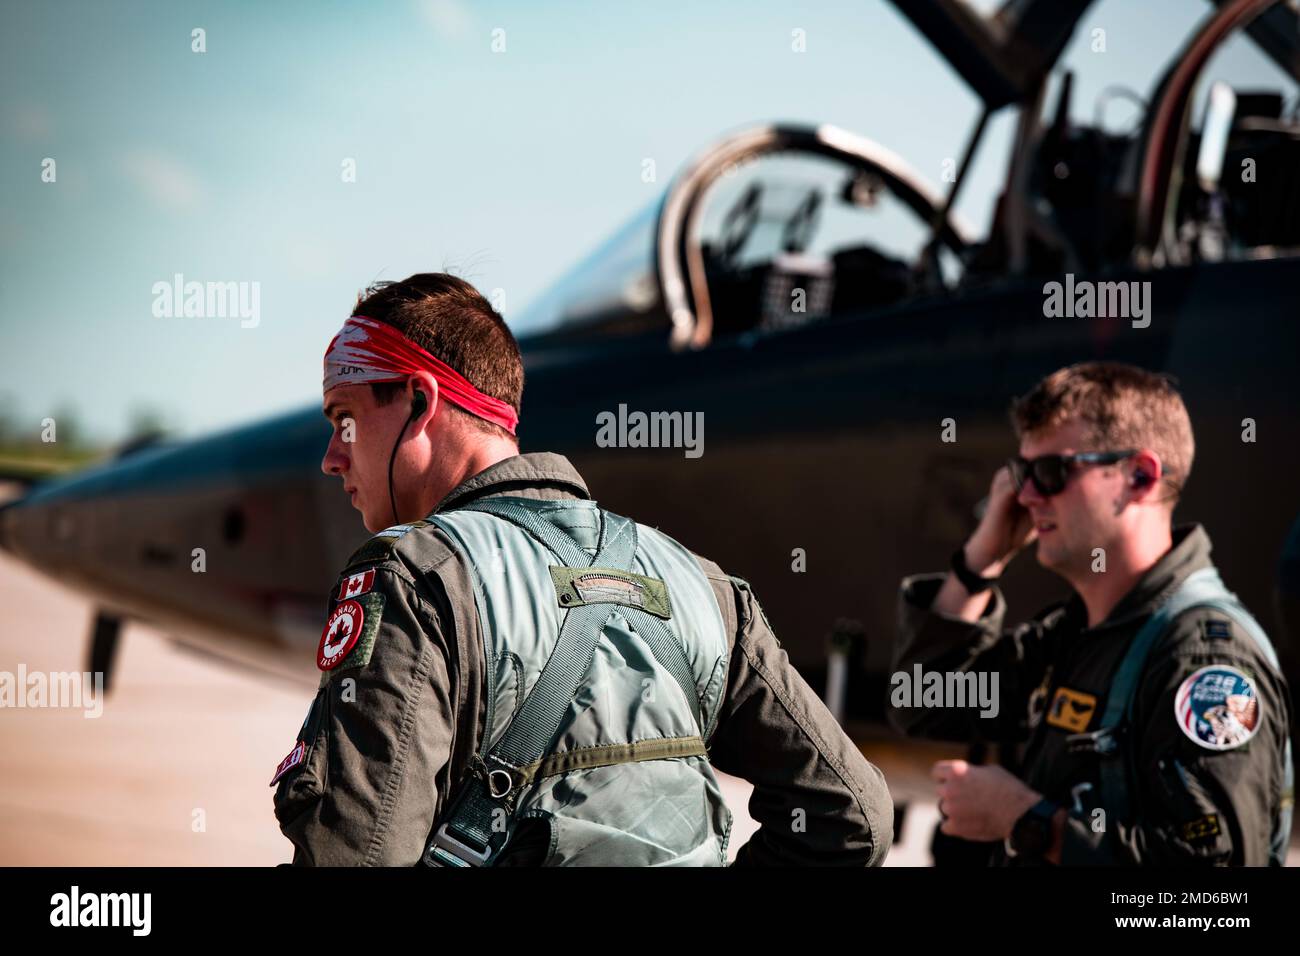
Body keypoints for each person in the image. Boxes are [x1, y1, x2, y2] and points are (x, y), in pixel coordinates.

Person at [271, 273, 893, 866]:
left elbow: (358, 853)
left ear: (419, 399)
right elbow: (852, 817)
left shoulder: (414, 578)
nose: (332, 457)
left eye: (345, 418)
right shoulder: (701, 585)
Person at [889, 361, 1293, 865]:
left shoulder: (1202, 658)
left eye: (1051, 472)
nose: (1027, 496)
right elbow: (926, 701)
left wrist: (1029, 822)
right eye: (1021, 475)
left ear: (1140, 476)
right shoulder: (1080, 633)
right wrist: (979, 564)